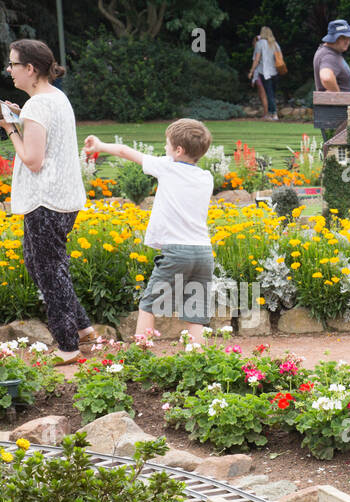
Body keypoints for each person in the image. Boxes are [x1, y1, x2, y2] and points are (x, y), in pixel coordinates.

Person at [0, 40, 92, 364]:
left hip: (46, 202)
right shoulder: (54, 98)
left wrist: (10, 129)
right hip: (61, 198)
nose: (8, 70)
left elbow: (32, 159)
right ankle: (81, 327)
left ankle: (68, 348)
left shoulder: (39, 105)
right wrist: (20, 116)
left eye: (12, 64)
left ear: (30, 68)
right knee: (43, 266)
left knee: (49, 274)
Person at [83, 120, 215, 340]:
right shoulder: (206, 177)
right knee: (195, 312)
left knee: (149, 303)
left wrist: (99, 145)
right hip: (203, 252)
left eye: (167, 144)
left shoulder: (167, 167)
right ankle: (197, 358)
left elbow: (125, 151)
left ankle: (141, 355)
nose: (165, 148)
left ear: (178, 150)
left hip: (176, 252)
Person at [314, 19, 350, 92]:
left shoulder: (332, 52)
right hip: (342, 103)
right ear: (333, 38)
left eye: (349, 38)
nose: (347, 41)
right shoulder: (328, 56)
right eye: (343, 38)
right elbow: (327, 78)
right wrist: (338, 97)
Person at [250, 27, 282, 121]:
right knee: (272, 93)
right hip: (275, 72)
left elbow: (256, 59)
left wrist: (252, 70)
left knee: (269, 93)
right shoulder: (275, 44)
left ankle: (273, 113)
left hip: (265, 72)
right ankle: (272, 112)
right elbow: (280, 57)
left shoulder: (260, 44)